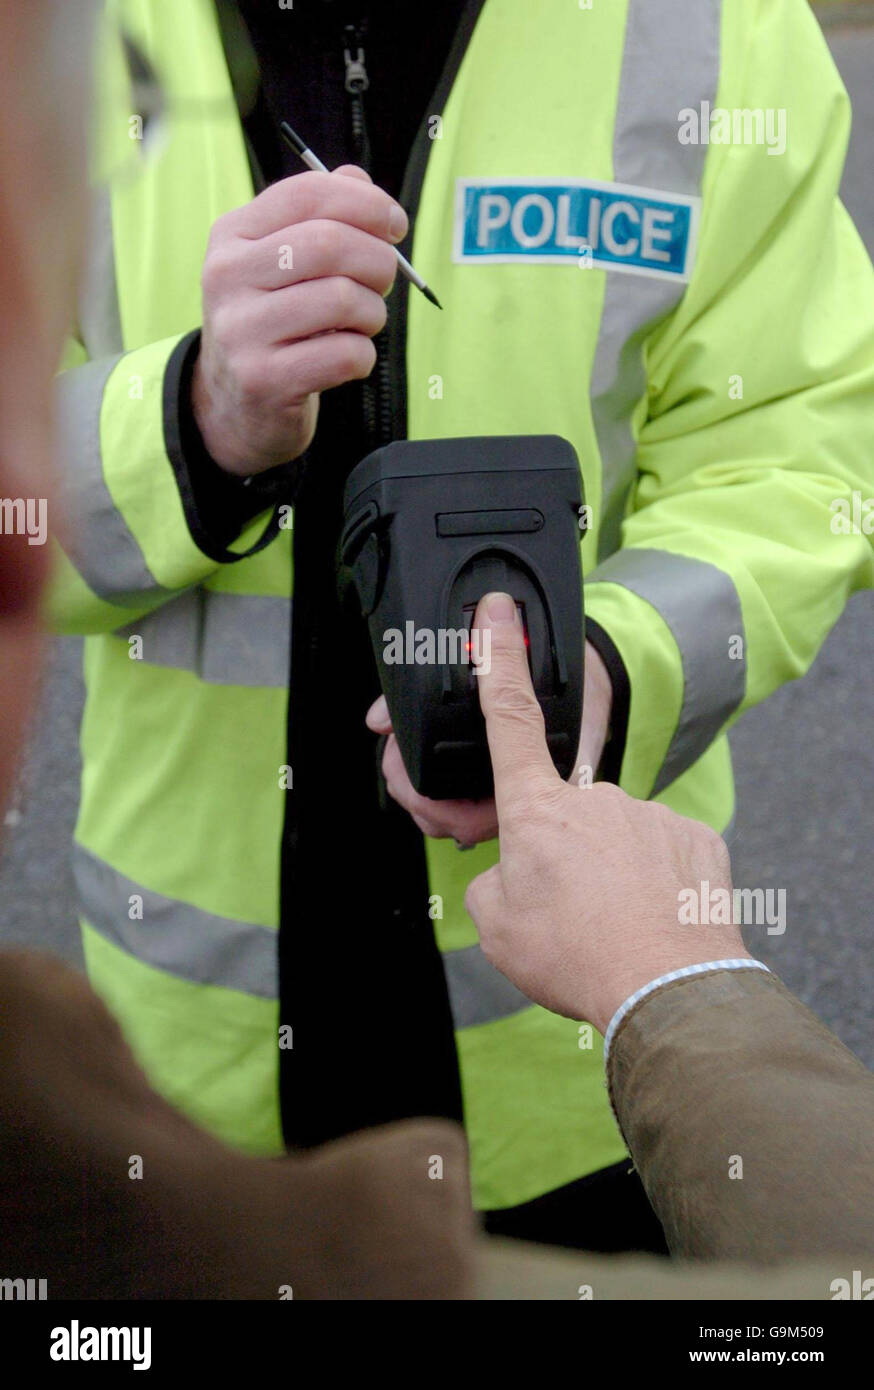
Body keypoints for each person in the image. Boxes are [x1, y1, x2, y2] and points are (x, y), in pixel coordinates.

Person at [2, 0, 869, 1307]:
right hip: (193, 1060)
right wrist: (187, 420)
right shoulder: (46, 30)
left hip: (575, 1057)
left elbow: (800, 459)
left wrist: (602, 670)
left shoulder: (712, 28)